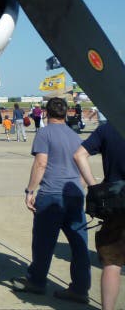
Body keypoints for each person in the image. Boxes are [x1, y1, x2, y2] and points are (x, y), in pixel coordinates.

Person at [12, 97, 90, 303]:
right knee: (79, 244)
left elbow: (41, 163)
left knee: (43, 243)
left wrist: (30, 190)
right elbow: (84, 168)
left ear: (46, 112)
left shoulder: (44, 133)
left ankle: (37, 281)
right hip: (74, 195)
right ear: (66, 113)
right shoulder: (75, 136)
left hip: (51, 195)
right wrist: (78, 189)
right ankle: (80, 288)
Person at [73, 122, 125, 310]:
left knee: (112, 262)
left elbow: (79, 155)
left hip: (116, 201)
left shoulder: (108, 128)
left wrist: (94, 187)